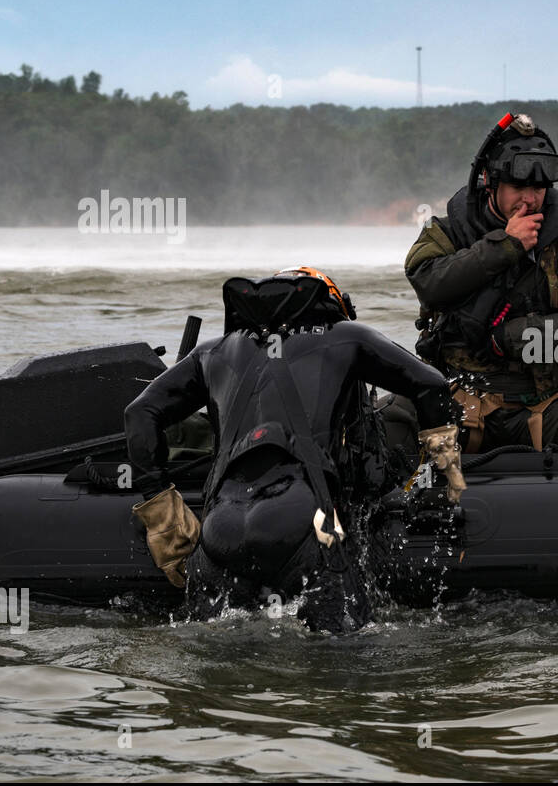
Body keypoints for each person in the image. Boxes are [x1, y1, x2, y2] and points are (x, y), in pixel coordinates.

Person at [124, 267, 462, 633]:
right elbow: (432, 386)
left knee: (221, 652)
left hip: (221, 526)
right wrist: (433, 476)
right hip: (304, 517)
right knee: (349, 654)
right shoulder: (345, 336)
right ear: (332, 304)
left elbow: (139, 412)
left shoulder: (213, 351)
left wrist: (164, 516)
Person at [405, 112, 558, 453]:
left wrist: (524, 336)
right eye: (519, 187)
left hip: (545, 400)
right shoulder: (449, 231)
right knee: (395, 418)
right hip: (458, 393)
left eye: (538, 188)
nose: (530, 199)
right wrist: (505, 247)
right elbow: (427, 280)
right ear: (490, 182)